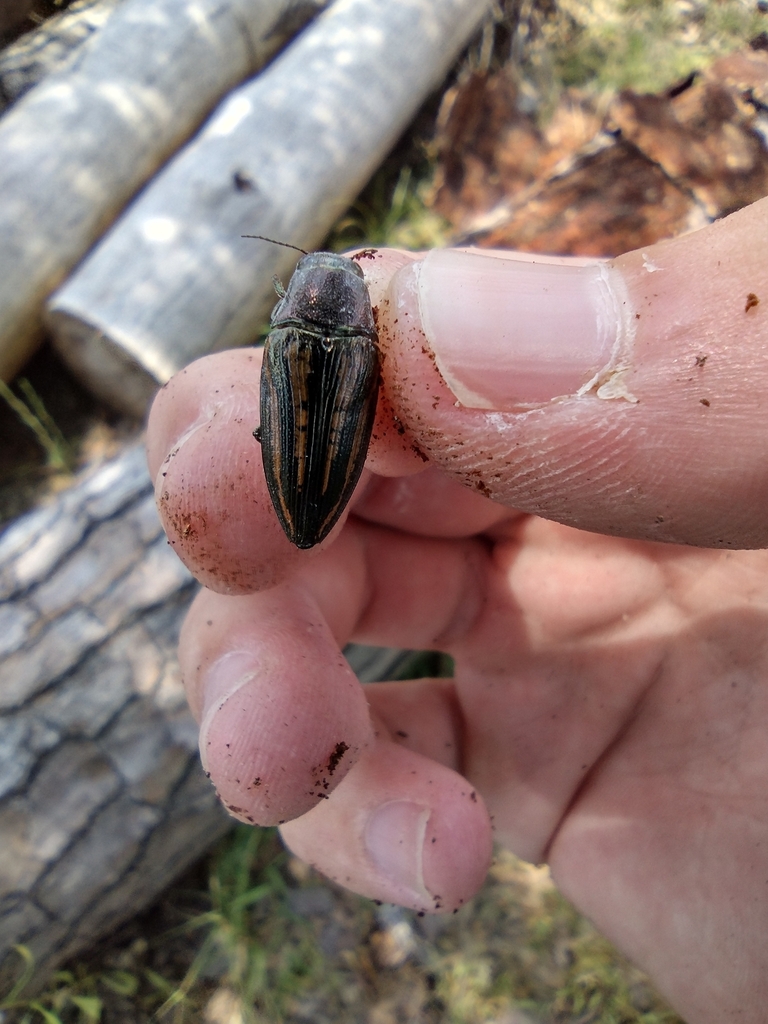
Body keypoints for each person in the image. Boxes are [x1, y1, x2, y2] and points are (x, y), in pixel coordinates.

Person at [146, 194, 768, 1024]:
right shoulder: (359, 340)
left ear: (290, 312)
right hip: (326, 487)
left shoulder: (289, 346)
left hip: (316, 494)